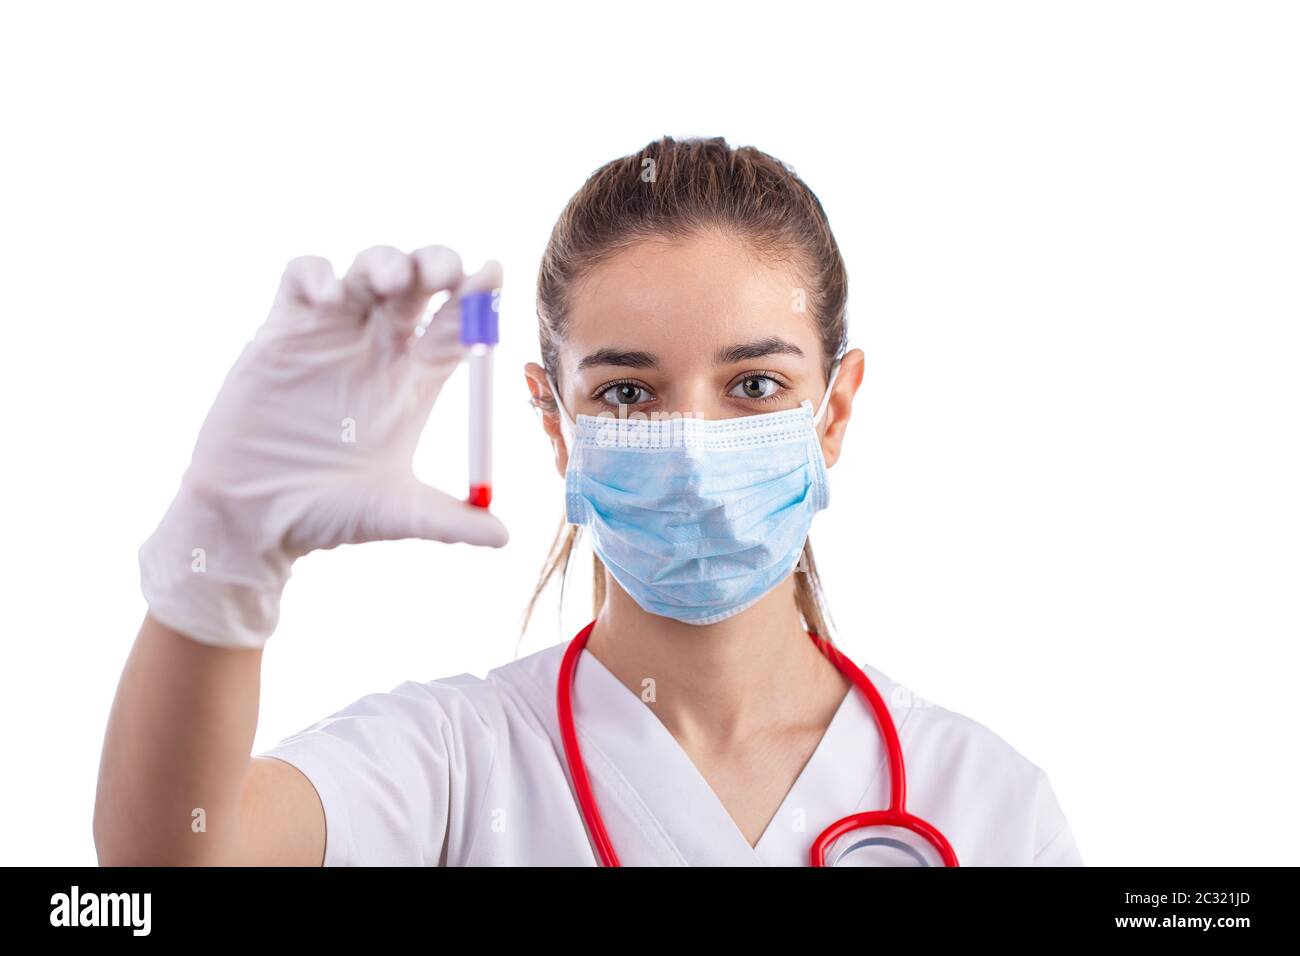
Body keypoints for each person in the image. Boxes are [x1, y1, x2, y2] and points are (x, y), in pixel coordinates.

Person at [93, 135, 1083, 867]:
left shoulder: (991, 804)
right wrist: (225, 550)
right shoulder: (453, 763)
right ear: (553, 418)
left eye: (751, 386)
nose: (691, 450)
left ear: (835, 407)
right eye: (626, 391)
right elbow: (163, 867)